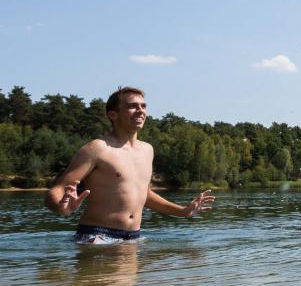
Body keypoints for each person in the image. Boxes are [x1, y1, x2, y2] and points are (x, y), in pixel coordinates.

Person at [45, 86, 215, 244]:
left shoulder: (147, 150)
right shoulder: (98, 148)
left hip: (133, 237)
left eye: (143, 106)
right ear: (113, 114)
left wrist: (183, 211)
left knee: (128, 278)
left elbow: (144, 195)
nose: (140, 110)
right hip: (97, 236)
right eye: (132, 106)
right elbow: (57, 189)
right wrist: (61, 208)